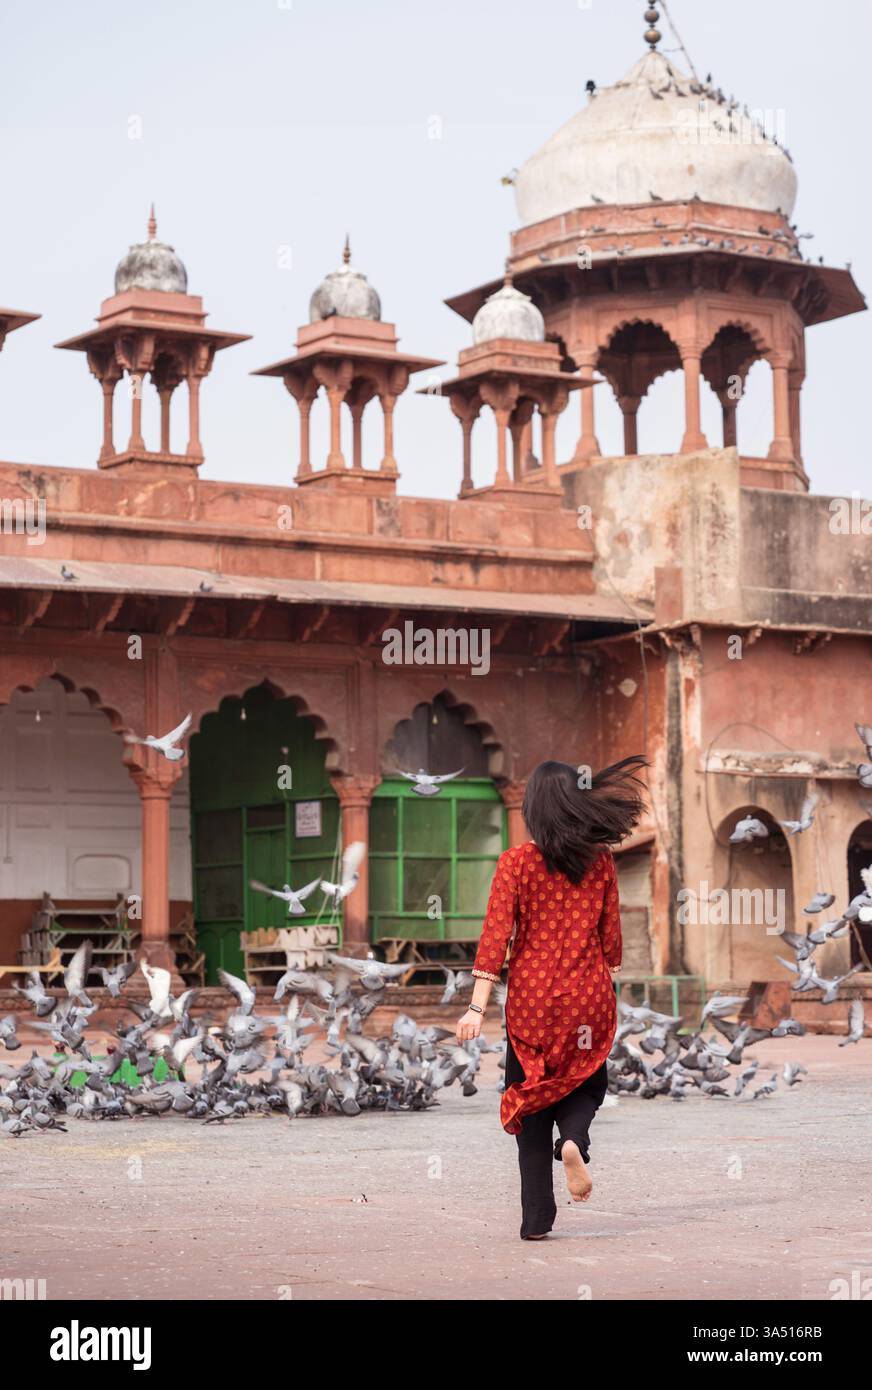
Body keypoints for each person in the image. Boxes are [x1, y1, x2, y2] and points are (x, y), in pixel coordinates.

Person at [455, 756, 646, 1240]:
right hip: (588, 995)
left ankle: (537, 1217)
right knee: (585, 1085)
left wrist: (476, 1007)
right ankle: (575, 1140)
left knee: (530, 1100)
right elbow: (612, 941)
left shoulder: (516, 863)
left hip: (532, 1003)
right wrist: (606, 988)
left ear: (535, 808)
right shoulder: (601, 861)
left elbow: (495, 940)